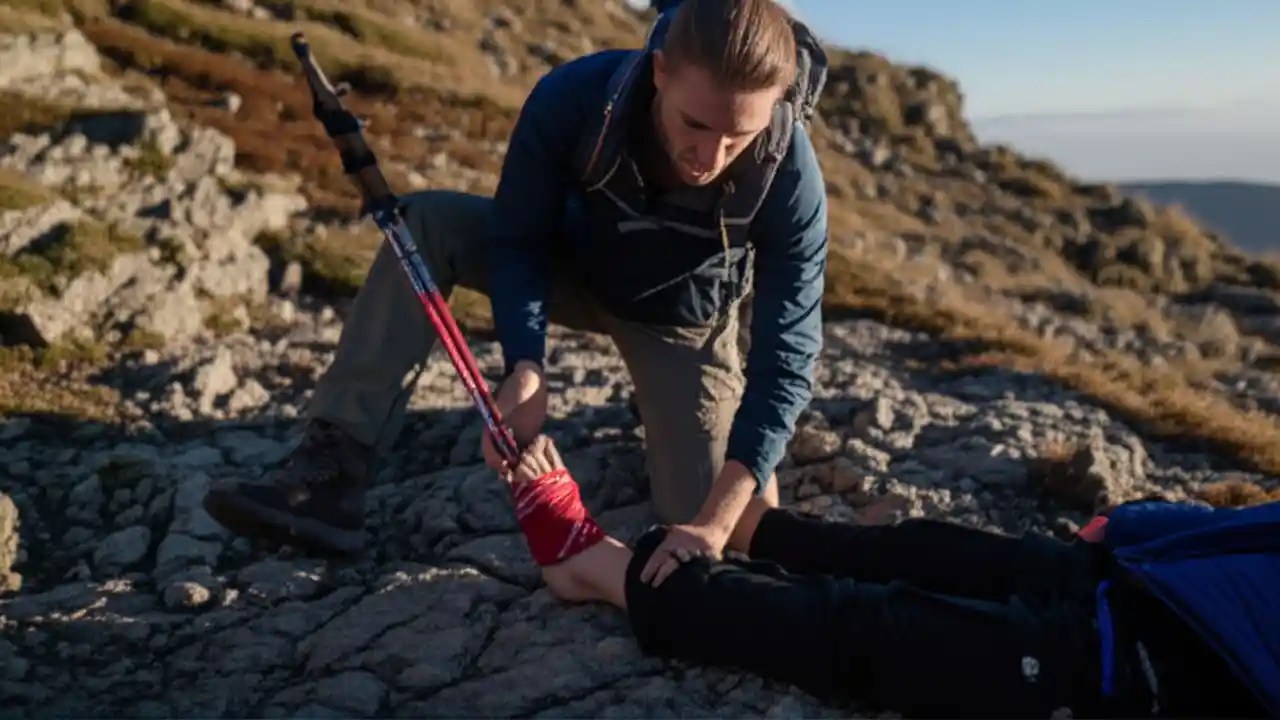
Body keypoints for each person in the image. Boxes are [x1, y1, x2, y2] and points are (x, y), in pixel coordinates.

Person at [202, 0, 831, 557]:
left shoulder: (790, 176)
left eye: (738, 137)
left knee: (723, 528)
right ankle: (330, 472)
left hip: (678, 318)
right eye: (695, 125)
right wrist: (524, 363)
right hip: (570, 266)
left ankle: (667, 409)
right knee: (425, 223)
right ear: (660, 70)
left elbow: (788, 356)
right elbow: (517, 237)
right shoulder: (577, 97)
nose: (710, 157)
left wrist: (718, 520)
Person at [505, 434, 1278, 719]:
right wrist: (1152, 528)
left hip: (1157, 678)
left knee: (875, 629)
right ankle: (758, 527)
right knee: (931, 548)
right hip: (1152, 583)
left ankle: (602, 570)